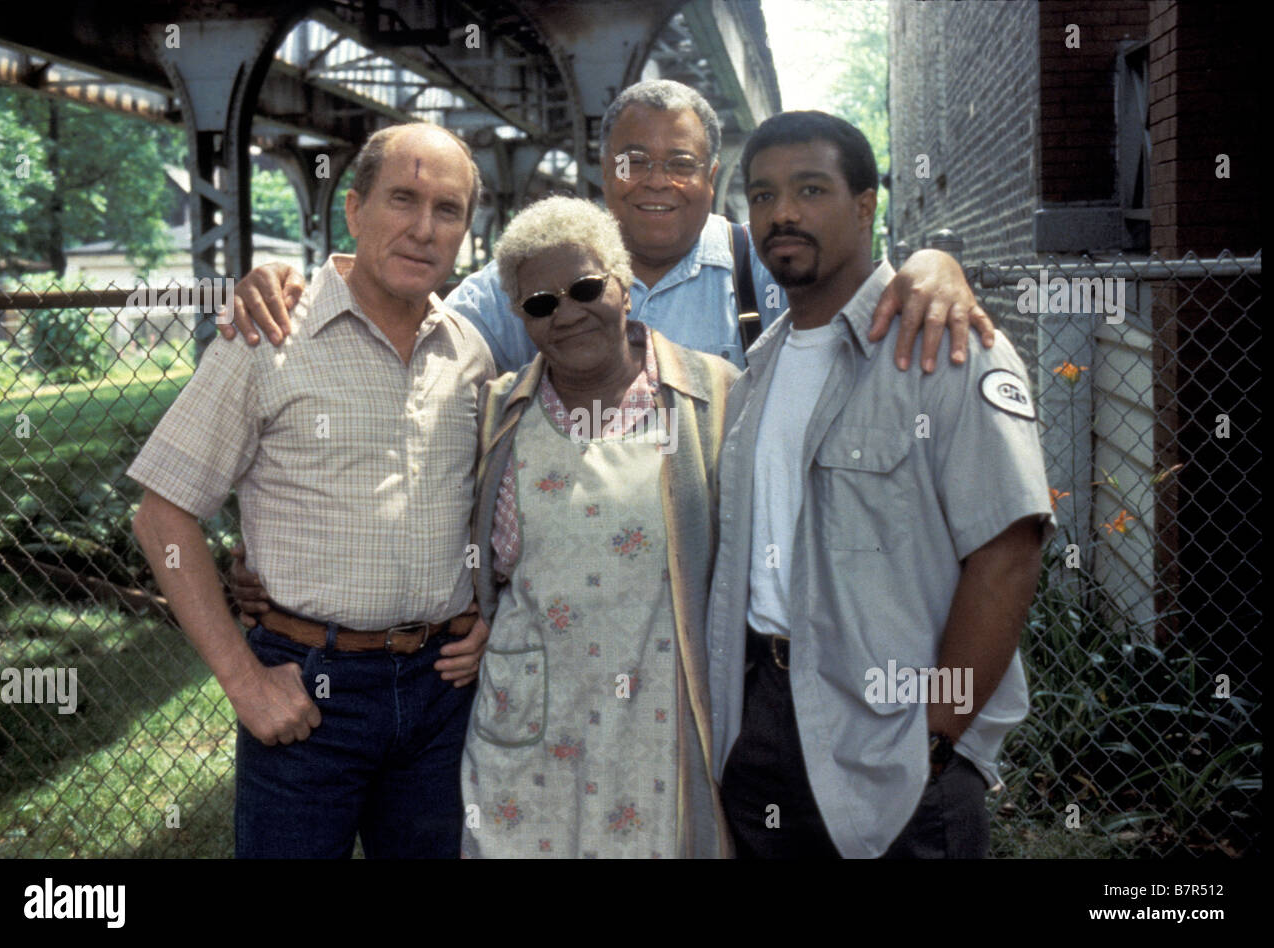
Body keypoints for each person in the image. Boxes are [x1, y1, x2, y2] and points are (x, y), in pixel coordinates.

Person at [128, 122, 494, 859]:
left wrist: (489, 609)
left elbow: (491, 512)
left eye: (448, 210)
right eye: (403, 199)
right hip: (309, 690)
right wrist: (245, 684)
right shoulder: (267, 337)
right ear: (353, 210)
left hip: (442, 694)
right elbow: (162, 516)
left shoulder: (469, 352)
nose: (425, 229)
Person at [705, 111, 1055, 859]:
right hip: (763, 727)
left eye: (810, 189)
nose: (783, 213)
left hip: (895, 739)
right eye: (762, 196)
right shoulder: (756, 374)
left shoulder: (945, 349)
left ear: (866, 205)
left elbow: (1009, 551)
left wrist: (936, 739)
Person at [220, 80, 993, 377]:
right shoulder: (529, 279)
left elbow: (863, 286)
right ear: (602, 175)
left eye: (680, 162)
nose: (656, 181)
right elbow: (415, 331)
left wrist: (931, 262)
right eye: (633, 161)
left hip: (722, 603)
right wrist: (313, 279)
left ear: (712, 180)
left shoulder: (771, 265)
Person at [461, 195, 737, 858]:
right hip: (527, 734)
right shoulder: (496, 415)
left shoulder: (713, 399)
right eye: (540, 303)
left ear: (623, 285)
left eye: (585, 288)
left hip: (660, 729)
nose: (568, 313)